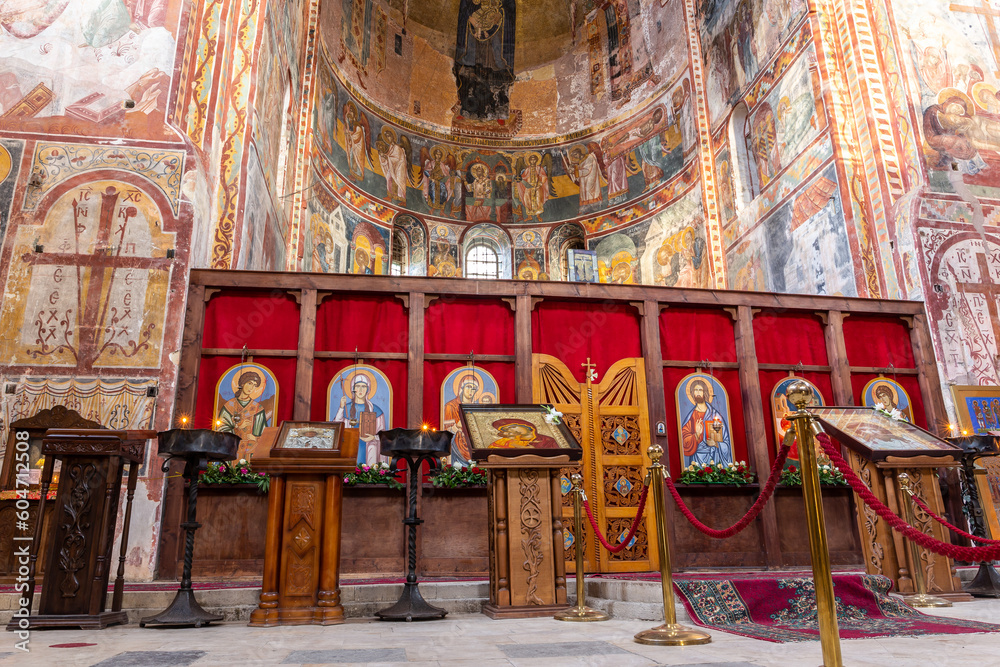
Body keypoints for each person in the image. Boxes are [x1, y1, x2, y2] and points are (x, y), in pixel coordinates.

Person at [335, 374, 386, 465]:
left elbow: (383, 436)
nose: (361, 390)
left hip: (369, 449)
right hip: (351, 448)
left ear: (368, 389)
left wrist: (373, 437)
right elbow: (336, 429)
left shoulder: (376, 411)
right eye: (357, 386)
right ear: (353, 389)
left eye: (363, 386)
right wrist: (341, 408)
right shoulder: (346, 409)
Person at [680, 378, 732, 467]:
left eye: (700, 390)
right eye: (695, 390)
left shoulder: (715, 415)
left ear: (705, 393)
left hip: (714, 456)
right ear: (692, 393)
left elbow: (726, 441)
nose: (698, 392)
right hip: (697, 458)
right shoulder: (691, 416)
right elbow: (684, 441)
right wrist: (696, 434)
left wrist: (716, 444)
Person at [218, 370, 269, 449]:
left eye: (255, 385)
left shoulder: (258, 409)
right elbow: (221, 429)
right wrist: (238, 427)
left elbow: (264, 435)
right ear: (242, 383)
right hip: (231, 450)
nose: (251, 388)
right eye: (249, 383)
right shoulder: (229, 406)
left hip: (250, 451)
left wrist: (255, 438)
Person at [443, 372, 481, 461]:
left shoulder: (477, 407)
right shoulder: (451, 406)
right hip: (458, 443)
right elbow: (447, 430)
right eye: (468, 387)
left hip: (473, 443)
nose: (471, 391)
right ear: (462, 388)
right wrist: (457, 427)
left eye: (474, 388)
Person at [489, 418, 558, 449]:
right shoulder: (511, 441)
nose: (510, 431)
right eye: (506, 430)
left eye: (512, 427)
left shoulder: (548, 441)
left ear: (526, 426)